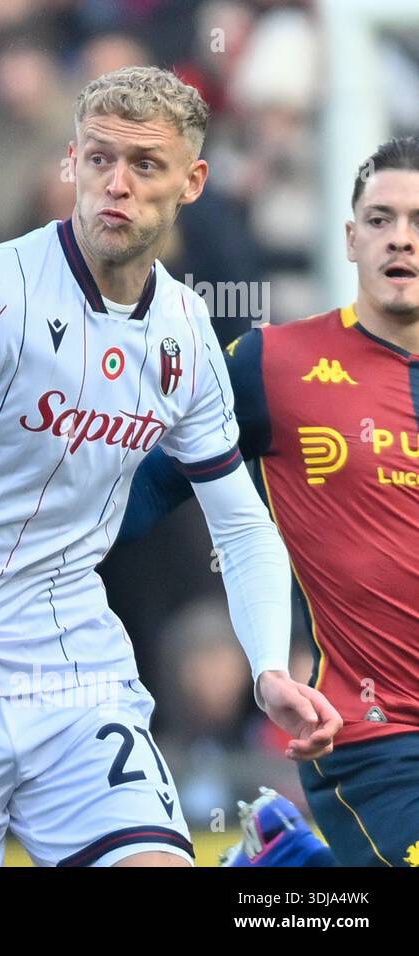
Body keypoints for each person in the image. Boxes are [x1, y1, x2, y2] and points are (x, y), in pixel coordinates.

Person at [0, 65, 341, 868]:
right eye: (99, 159)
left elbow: (241, 521)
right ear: (71, 160)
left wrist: (269, 666)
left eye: (145, 166)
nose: (117, 184)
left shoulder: (183, 330)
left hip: (76, 679)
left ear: (193, 181)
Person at [122, 137, 419, 867]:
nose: (401, 238)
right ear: (349, 238)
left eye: (418, 220)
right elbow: (146, 485)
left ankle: (279, 863)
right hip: (370, 728)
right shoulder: (271, 365)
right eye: (380, 219)